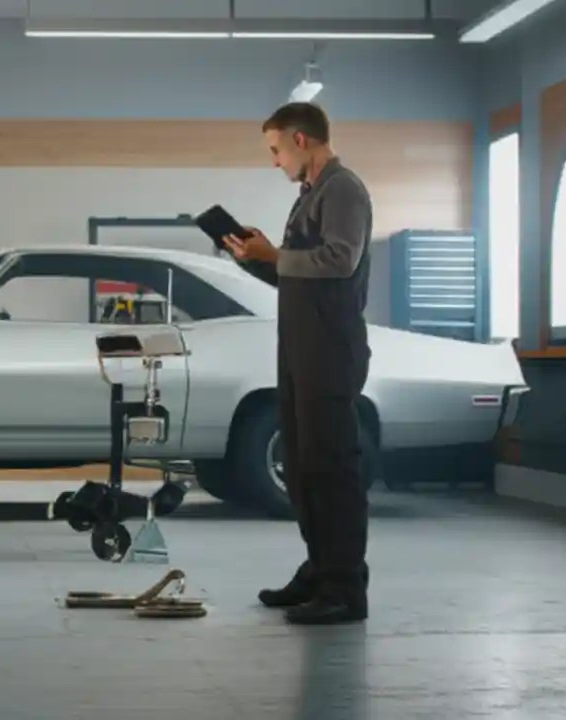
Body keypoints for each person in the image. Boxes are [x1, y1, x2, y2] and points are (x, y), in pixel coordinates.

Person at [222, 102, 373, 625]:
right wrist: (257, 259)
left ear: (300, 140)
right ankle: (321, 569)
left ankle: (345, 587)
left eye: (276, 149)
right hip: (300, 348)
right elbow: (300, 273)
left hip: (331, 348)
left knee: (332, 467)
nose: (275, 161)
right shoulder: (309, 196)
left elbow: (340, 260)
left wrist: (274, 256)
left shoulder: (343, 189)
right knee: (304, 466)